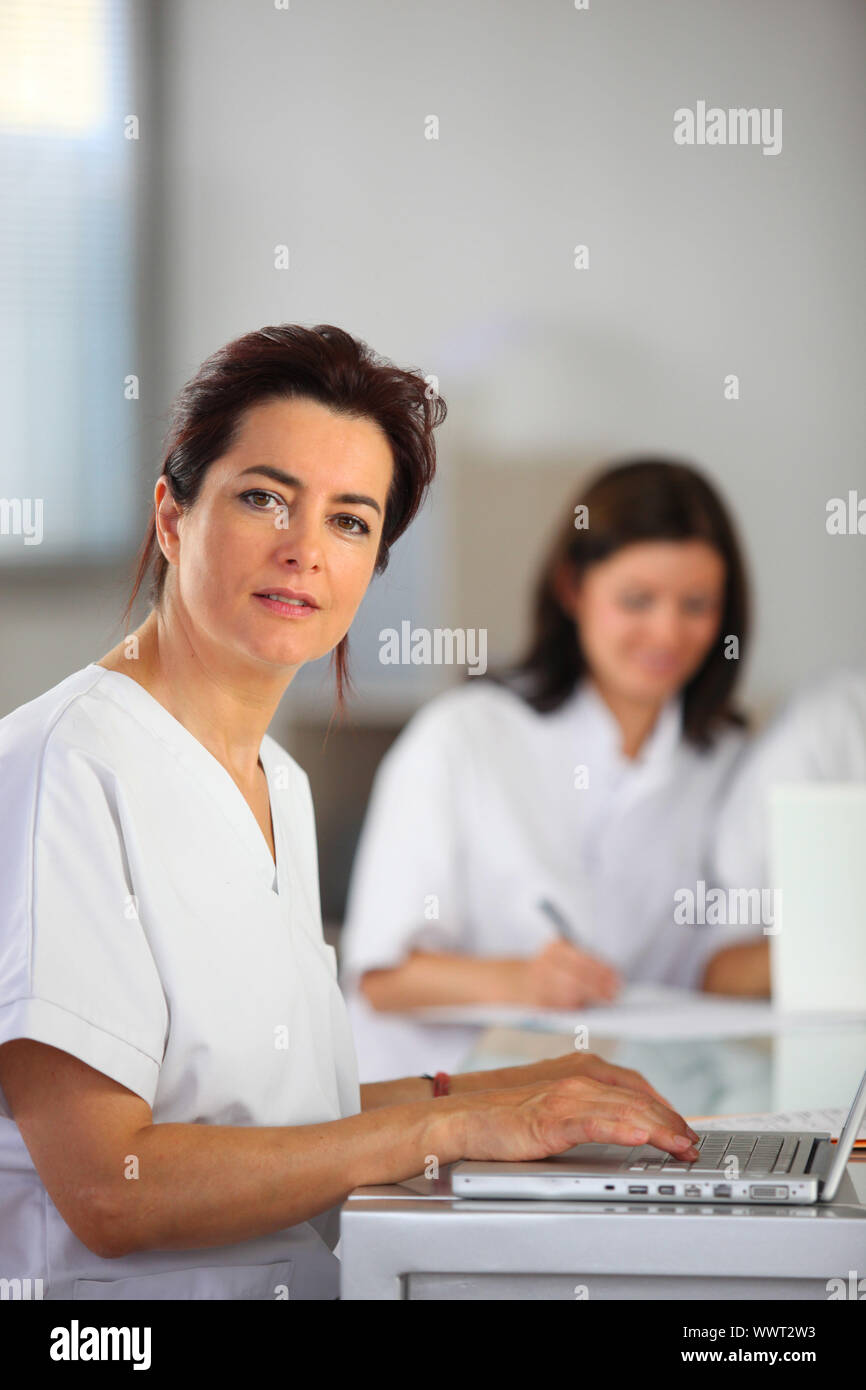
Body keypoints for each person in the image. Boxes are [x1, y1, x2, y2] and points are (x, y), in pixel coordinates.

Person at [0, 325, 699, 1301]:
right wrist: (446, 1127)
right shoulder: (63, 763)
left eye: (350, 520)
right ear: (171, 516)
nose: (302, 550)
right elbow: (111, 1190)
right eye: (263, 498)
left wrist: (498, 1089)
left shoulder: (274, 780)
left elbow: (275, 1118)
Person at [340, 458, 766, 1083]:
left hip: (640, 1102)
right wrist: (517, 980)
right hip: (442, 1108)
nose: (667, 632)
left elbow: (720, 970)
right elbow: (381, 977)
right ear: (573, 588)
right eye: (637, 600)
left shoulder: (729, 759)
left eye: (696, 604)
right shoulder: (464, 736)